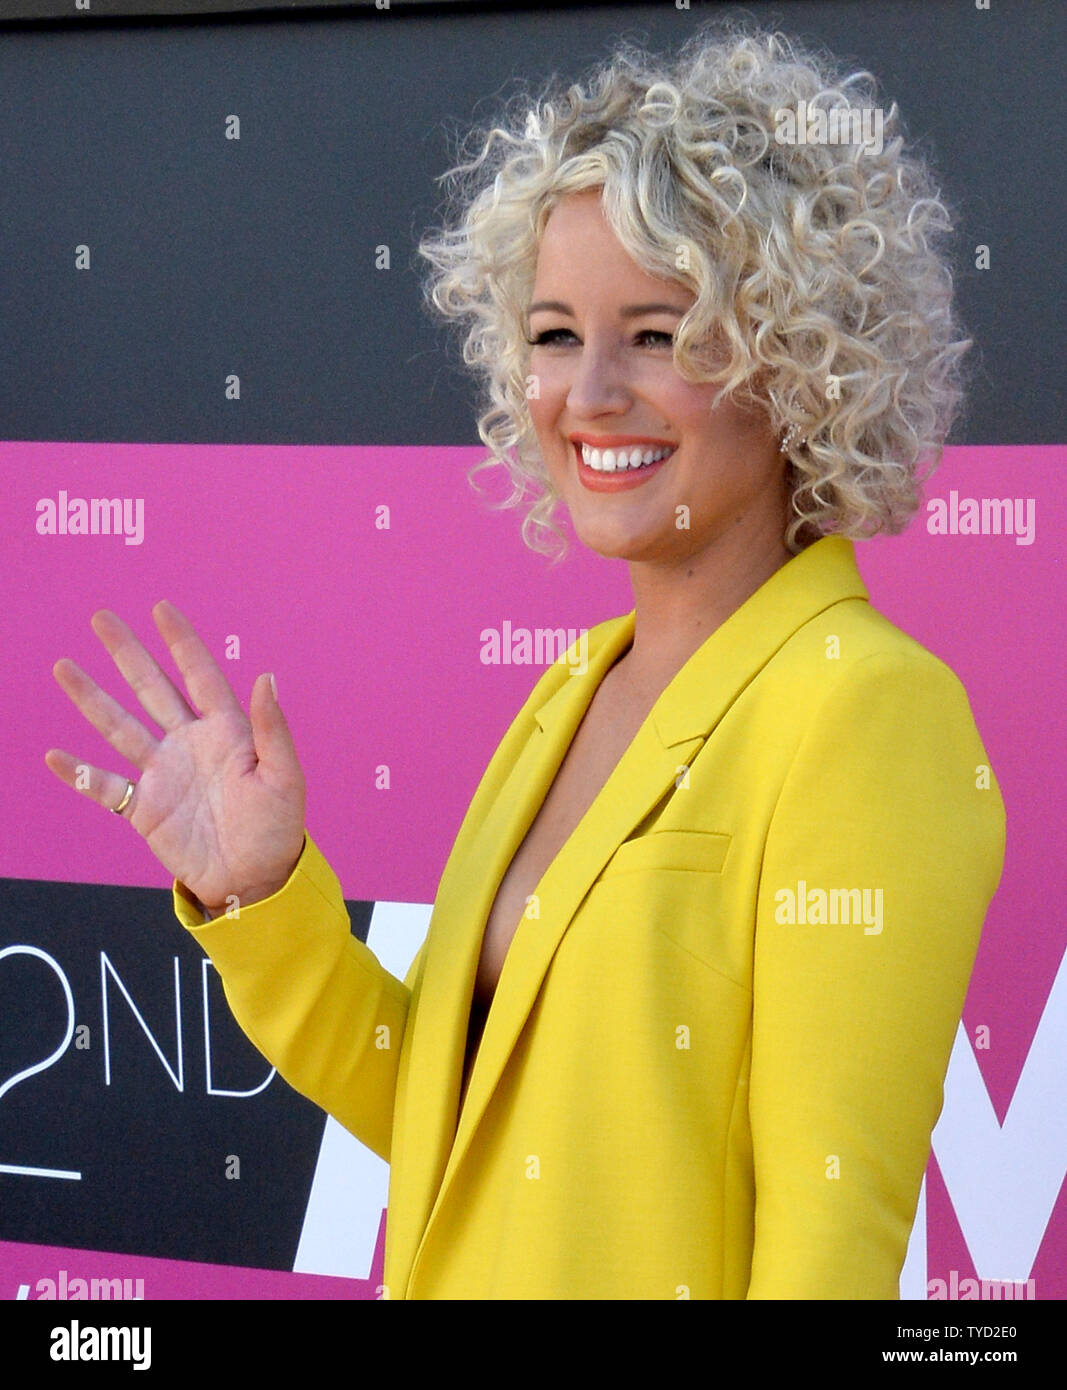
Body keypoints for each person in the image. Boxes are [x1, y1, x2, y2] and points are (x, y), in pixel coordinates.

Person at [45, 24, 1005, 1299]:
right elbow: (456, 1131)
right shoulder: (569, 695)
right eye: (554, 334)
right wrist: (266, 900)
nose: (587, 393)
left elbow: (829, 1253)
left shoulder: (869, 709)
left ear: (799, 359)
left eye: (657, 335)